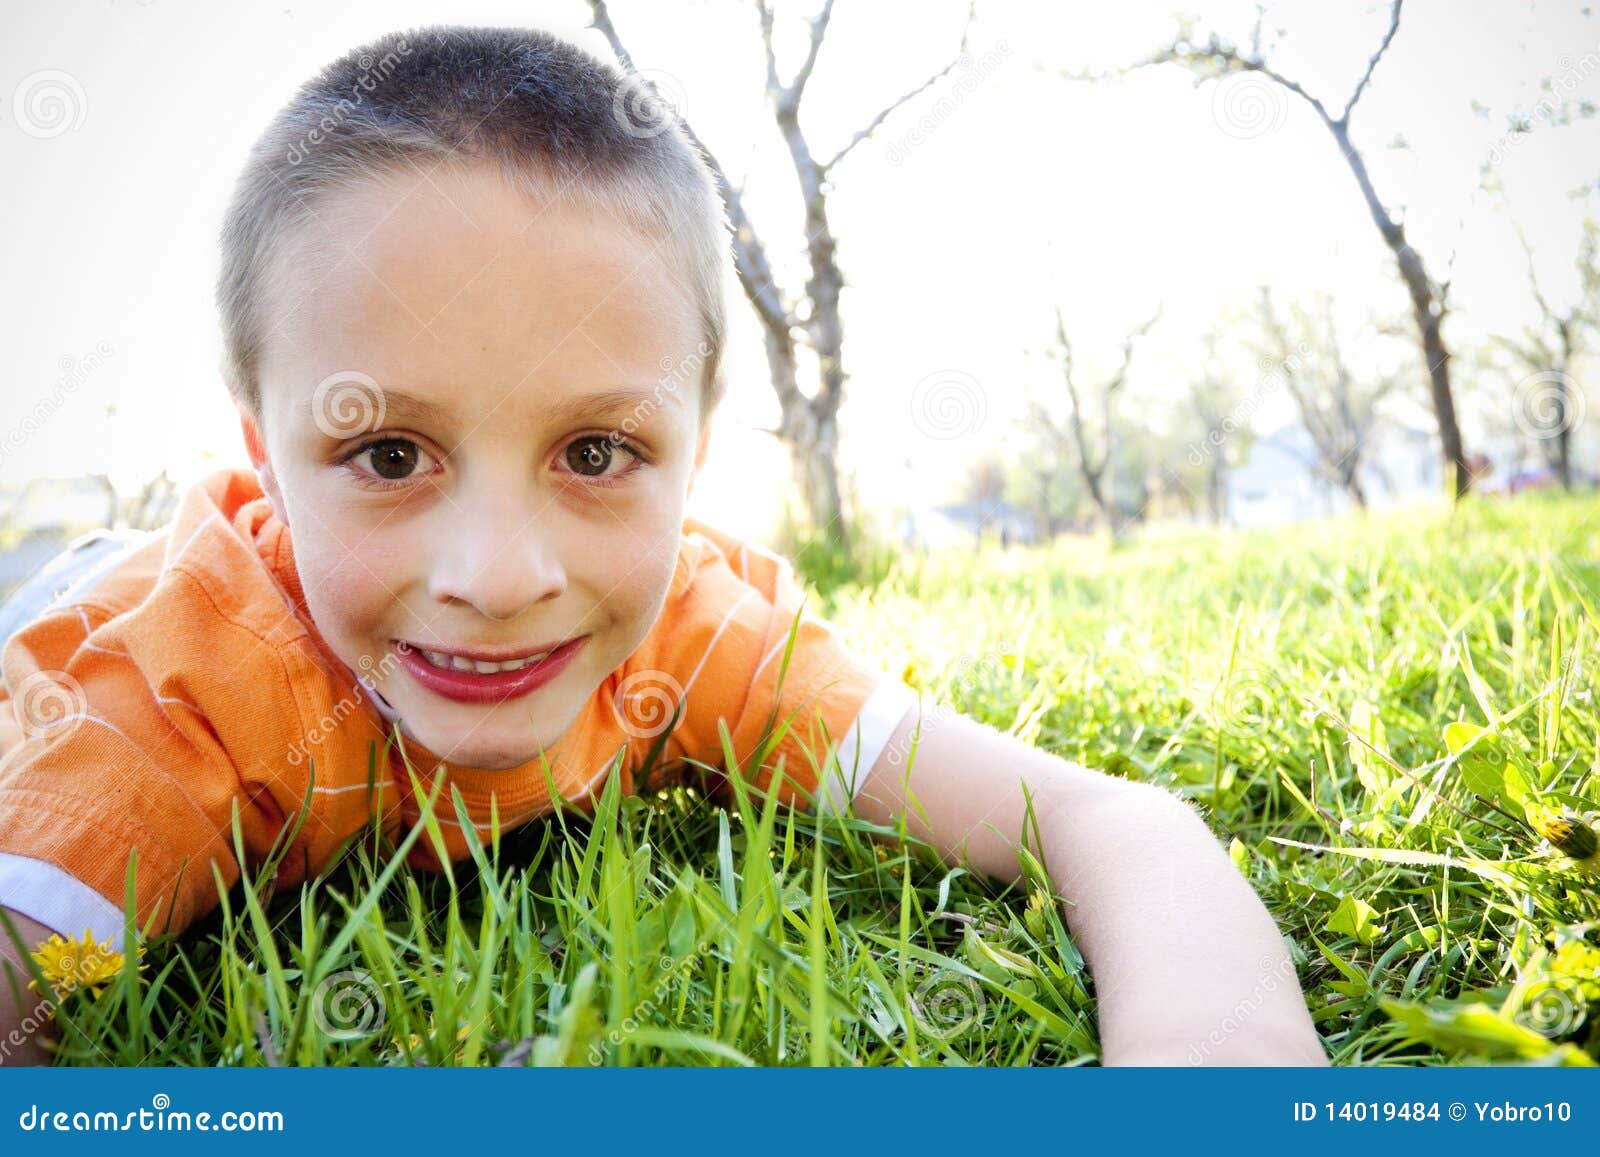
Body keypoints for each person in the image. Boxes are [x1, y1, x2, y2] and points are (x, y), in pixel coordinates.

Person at [0, 25, 1326, 1067]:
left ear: (695, 451)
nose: (501, 574)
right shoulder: (175, 698)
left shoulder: (692, 637)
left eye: (594, 453)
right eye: (390, 454)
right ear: (265, 457)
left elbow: (1112, 824)